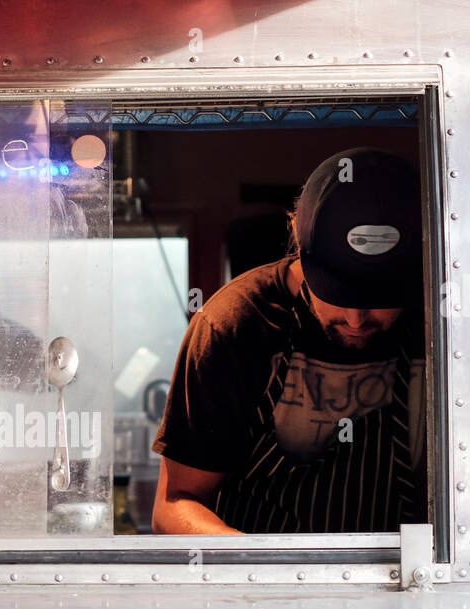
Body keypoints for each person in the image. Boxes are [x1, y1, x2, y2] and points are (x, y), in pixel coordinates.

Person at [151, 147, 428, 535]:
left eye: (380, 298)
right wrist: (266, 572)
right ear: (297, 240)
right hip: (263, 588)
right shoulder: (235, 325)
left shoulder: (443, 320)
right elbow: (176, 505)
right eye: (336, 293)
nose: (355, 319)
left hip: (404, 585)